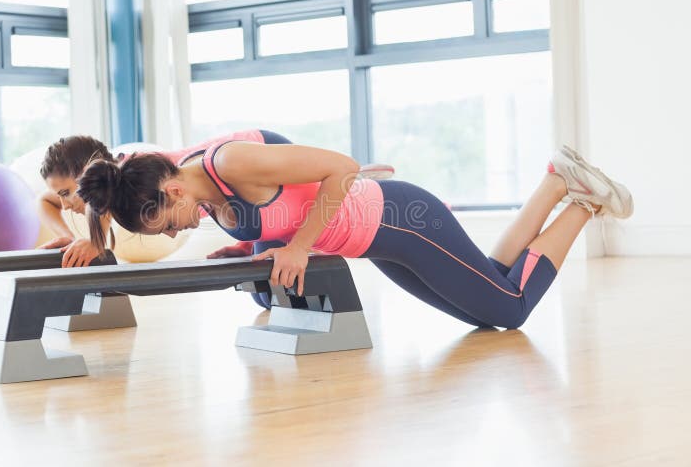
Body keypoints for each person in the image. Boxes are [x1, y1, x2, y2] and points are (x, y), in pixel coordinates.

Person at [75, 140, 632, 329]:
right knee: (490, 299)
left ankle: (583, 202)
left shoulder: (232, 161)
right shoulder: (195, 185)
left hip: (402, 219)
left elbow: (342, 165)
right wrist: (249, 244)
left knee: (508, 310)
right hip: (380, 242)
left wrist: (296, 247)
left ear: (171, 192)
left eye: (177, 221)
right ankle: (556, 180)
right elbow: (280, 214)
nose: (187, 226)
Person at [36, 130, 291, 269]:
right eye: (62, 195)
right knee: (263, 294)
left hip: (259, 153)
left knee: (278, 285)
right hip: (241, 201)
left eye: (67, 193)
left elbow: (100, 220)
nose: (66, 204)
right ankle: (249, 243)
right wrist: (68, 236)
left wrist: (94, 241)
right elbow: (44, 202)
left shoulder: (137, 176)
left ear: (87, 174)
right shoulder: (107, 189)